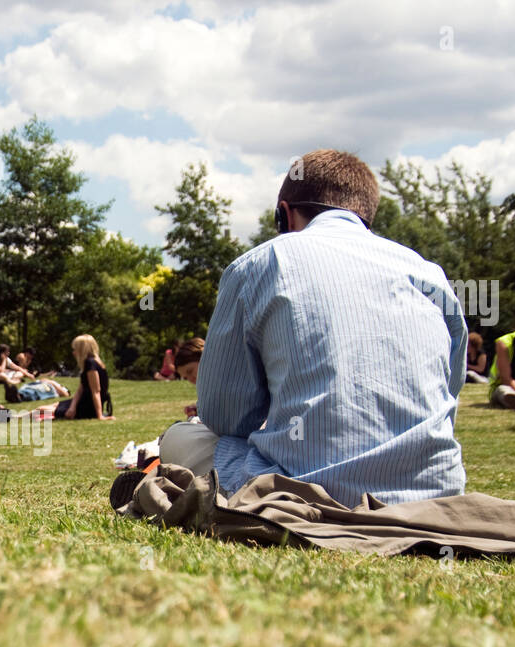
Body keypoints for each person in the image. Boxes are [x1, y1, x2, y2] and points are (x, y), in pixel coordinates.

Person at [182, 149, 467, 506]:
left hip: (307, 490)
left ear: (284, 213)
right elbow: (448, 391)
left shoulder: (259, 264)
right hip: (433, 496)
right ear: (367, 217)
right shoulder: (429, 274)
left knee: (182, 438)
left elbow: (225, 415)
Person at [52, 334, 113, 420]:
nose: (73, 353)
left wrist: (99, 415)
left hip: (86, 408)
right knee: (51, 406)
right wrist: (72, 406)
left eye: (75, 349)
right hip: (81, 402)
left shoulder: (90, 363)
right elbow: (80, 389)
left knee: (44, 410)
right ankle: (28, 417)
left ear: (82, 350)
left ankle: (27, 417)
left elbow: (96, 391)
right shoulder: (94, 362)